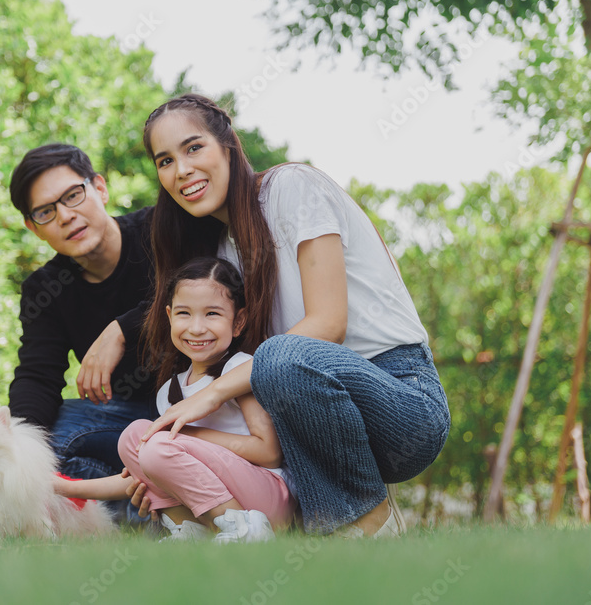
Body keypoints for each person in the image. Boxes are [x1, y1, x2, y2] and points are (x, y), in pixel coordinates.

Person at [136, 94, 451, 537]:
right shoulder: (223, 253)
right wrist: (165, 464)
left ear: (228, 146)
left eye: (193, 148)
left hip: (400, 399)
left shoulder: (292, 188)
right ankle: (233, 527)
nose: (181, 170)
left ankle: (369, 526)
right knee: (151, 435)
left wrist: (210, 395)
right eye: (165, 161)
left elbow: (327, 325)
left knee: (280, 357)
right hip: (304, 422)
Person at [55, 256, 295, 543]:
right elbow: (146, 469)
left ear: (238, 321)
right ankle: (190, 529)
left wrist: (182, 436)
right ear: (169, 317)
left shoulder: (239, 370)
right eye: (184, 313)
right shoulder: (169, 391)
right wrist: (65, 488)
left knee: (155, 442)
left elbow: (269, 452)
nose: (196, 328)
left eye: (212, 314)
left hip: (268, 497)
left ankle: (245, 528)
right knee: (134, 436)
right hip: (216, 494)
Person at [7, 143, 156, 488]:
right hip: (126, 419)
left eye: (73, 196)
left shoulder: (157, 231)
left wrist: (121, 330)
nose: (65, 216)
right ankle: (135, 505)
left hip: (199, 402)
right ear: (33, 228)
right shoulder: (45, 288)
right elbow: (38, 376)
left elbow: (199, 295)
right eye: (45, 212)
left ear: (100, 188)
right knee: (37, 446)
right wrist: (19, 446)